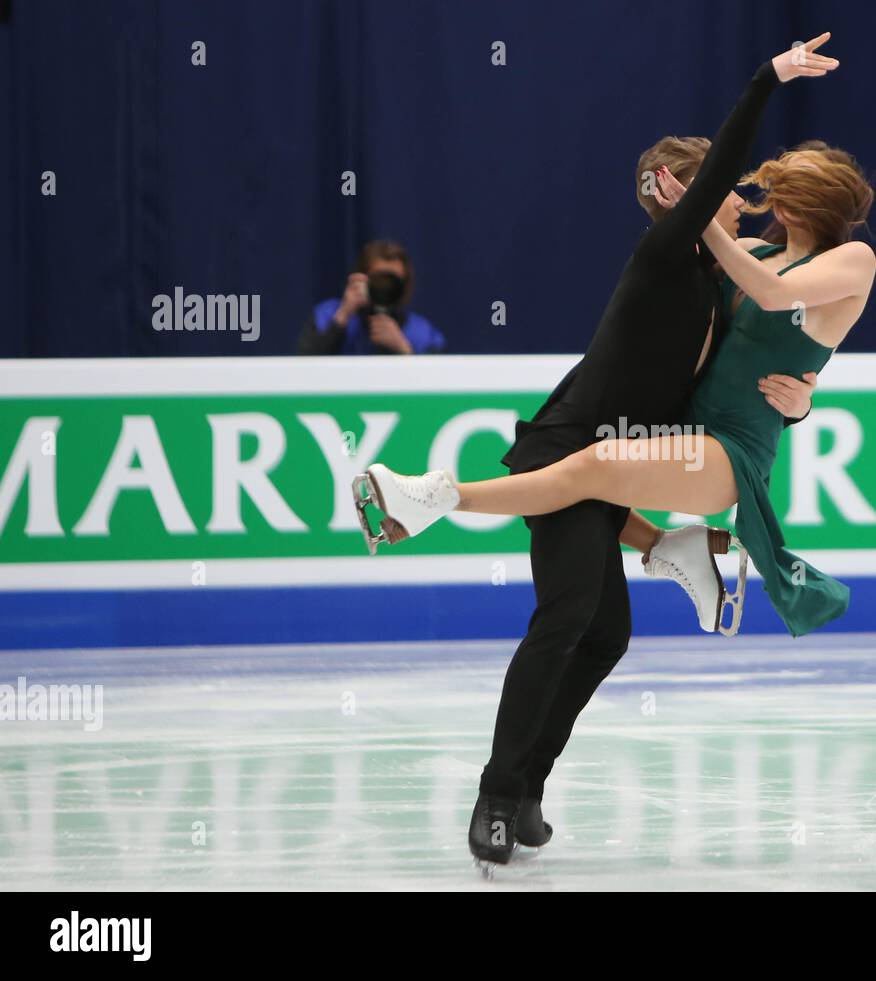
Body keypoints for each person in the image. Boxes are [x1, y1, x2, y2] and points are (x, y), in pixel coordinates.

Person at [354, 36, 840, 868]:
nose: (741, 203)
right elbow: (723, 163)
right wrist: (768, 76)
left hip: (618, 454)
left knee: (606, 631)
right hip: (573, 445)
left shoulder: (717, 280)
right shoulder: (664, 254)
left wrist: (800, 403)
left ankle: (529, 788)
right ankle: (495, 799)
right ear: (685, 195)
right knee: (568, 614)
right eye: (721, 193)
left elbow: (755, 363)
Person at [298, 239, 446, 355]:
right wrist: (343, 315)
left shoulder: (423, 333)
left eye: (393, 281)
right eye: (379, 280)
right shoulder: (327, 315)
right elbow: (302, 367)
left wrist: (404, 350)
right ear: (362, 278)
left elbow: (437, 385)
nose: (385, 287)